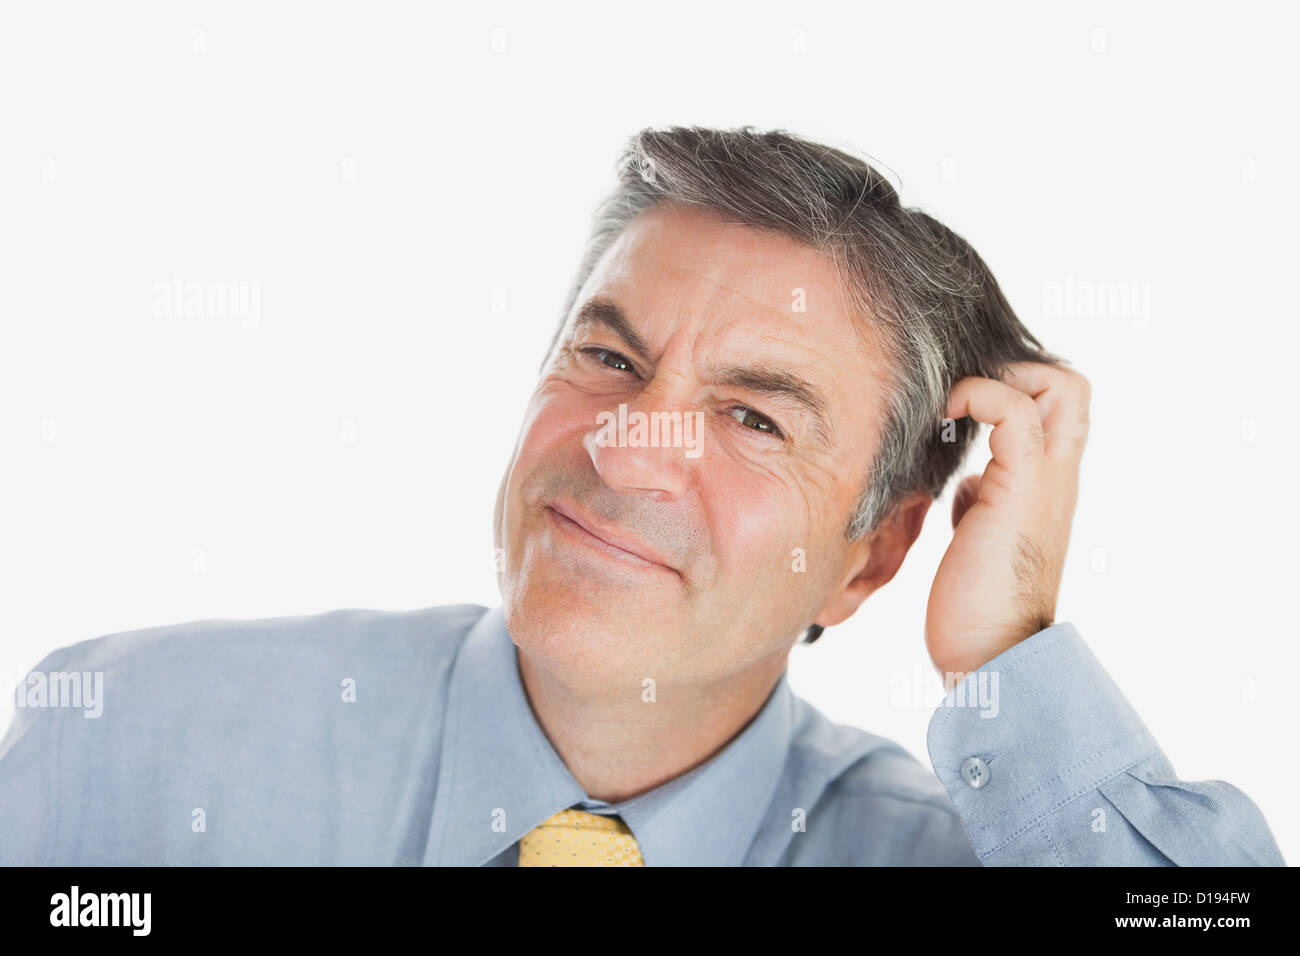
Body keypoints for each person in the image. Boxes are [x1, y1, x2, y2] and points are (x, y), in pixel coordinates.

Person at [0, 127, 1283, 866]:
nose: (625, 449)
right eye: (609, 358)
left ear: (871, 557)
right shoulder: (126, 744)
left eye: (753, 416)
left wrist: (1009, 654)